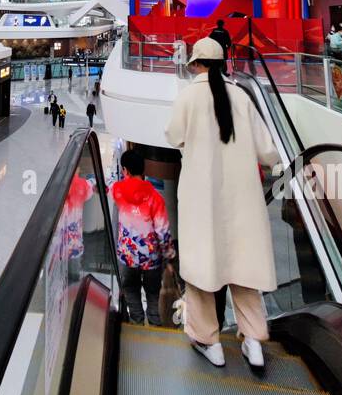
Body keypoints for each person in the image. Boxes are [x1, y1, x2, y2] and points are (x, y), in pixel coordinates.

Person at [165, 37, 281, 371]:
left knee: (203, 271)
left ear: (196, 64)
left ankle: (209, 342)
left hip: (201, 198)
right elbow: (267, 150)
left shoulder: (187, 97)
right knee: (244, 268)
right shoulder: (240, 96)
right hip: (242, 197)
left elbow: (174, 136)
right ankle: (253, 341)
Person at [110, 149, 174, 326]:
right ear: (143, 170)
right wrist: (169, 257)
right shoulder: (155, 198)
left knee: (130, 290)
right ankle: (154, 323)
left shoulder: (118, 192)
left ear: (125, 171)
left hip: (127, 257)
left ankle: (136, 322)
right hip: (151, 259)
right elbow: (163, 231)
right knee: (153, 293)